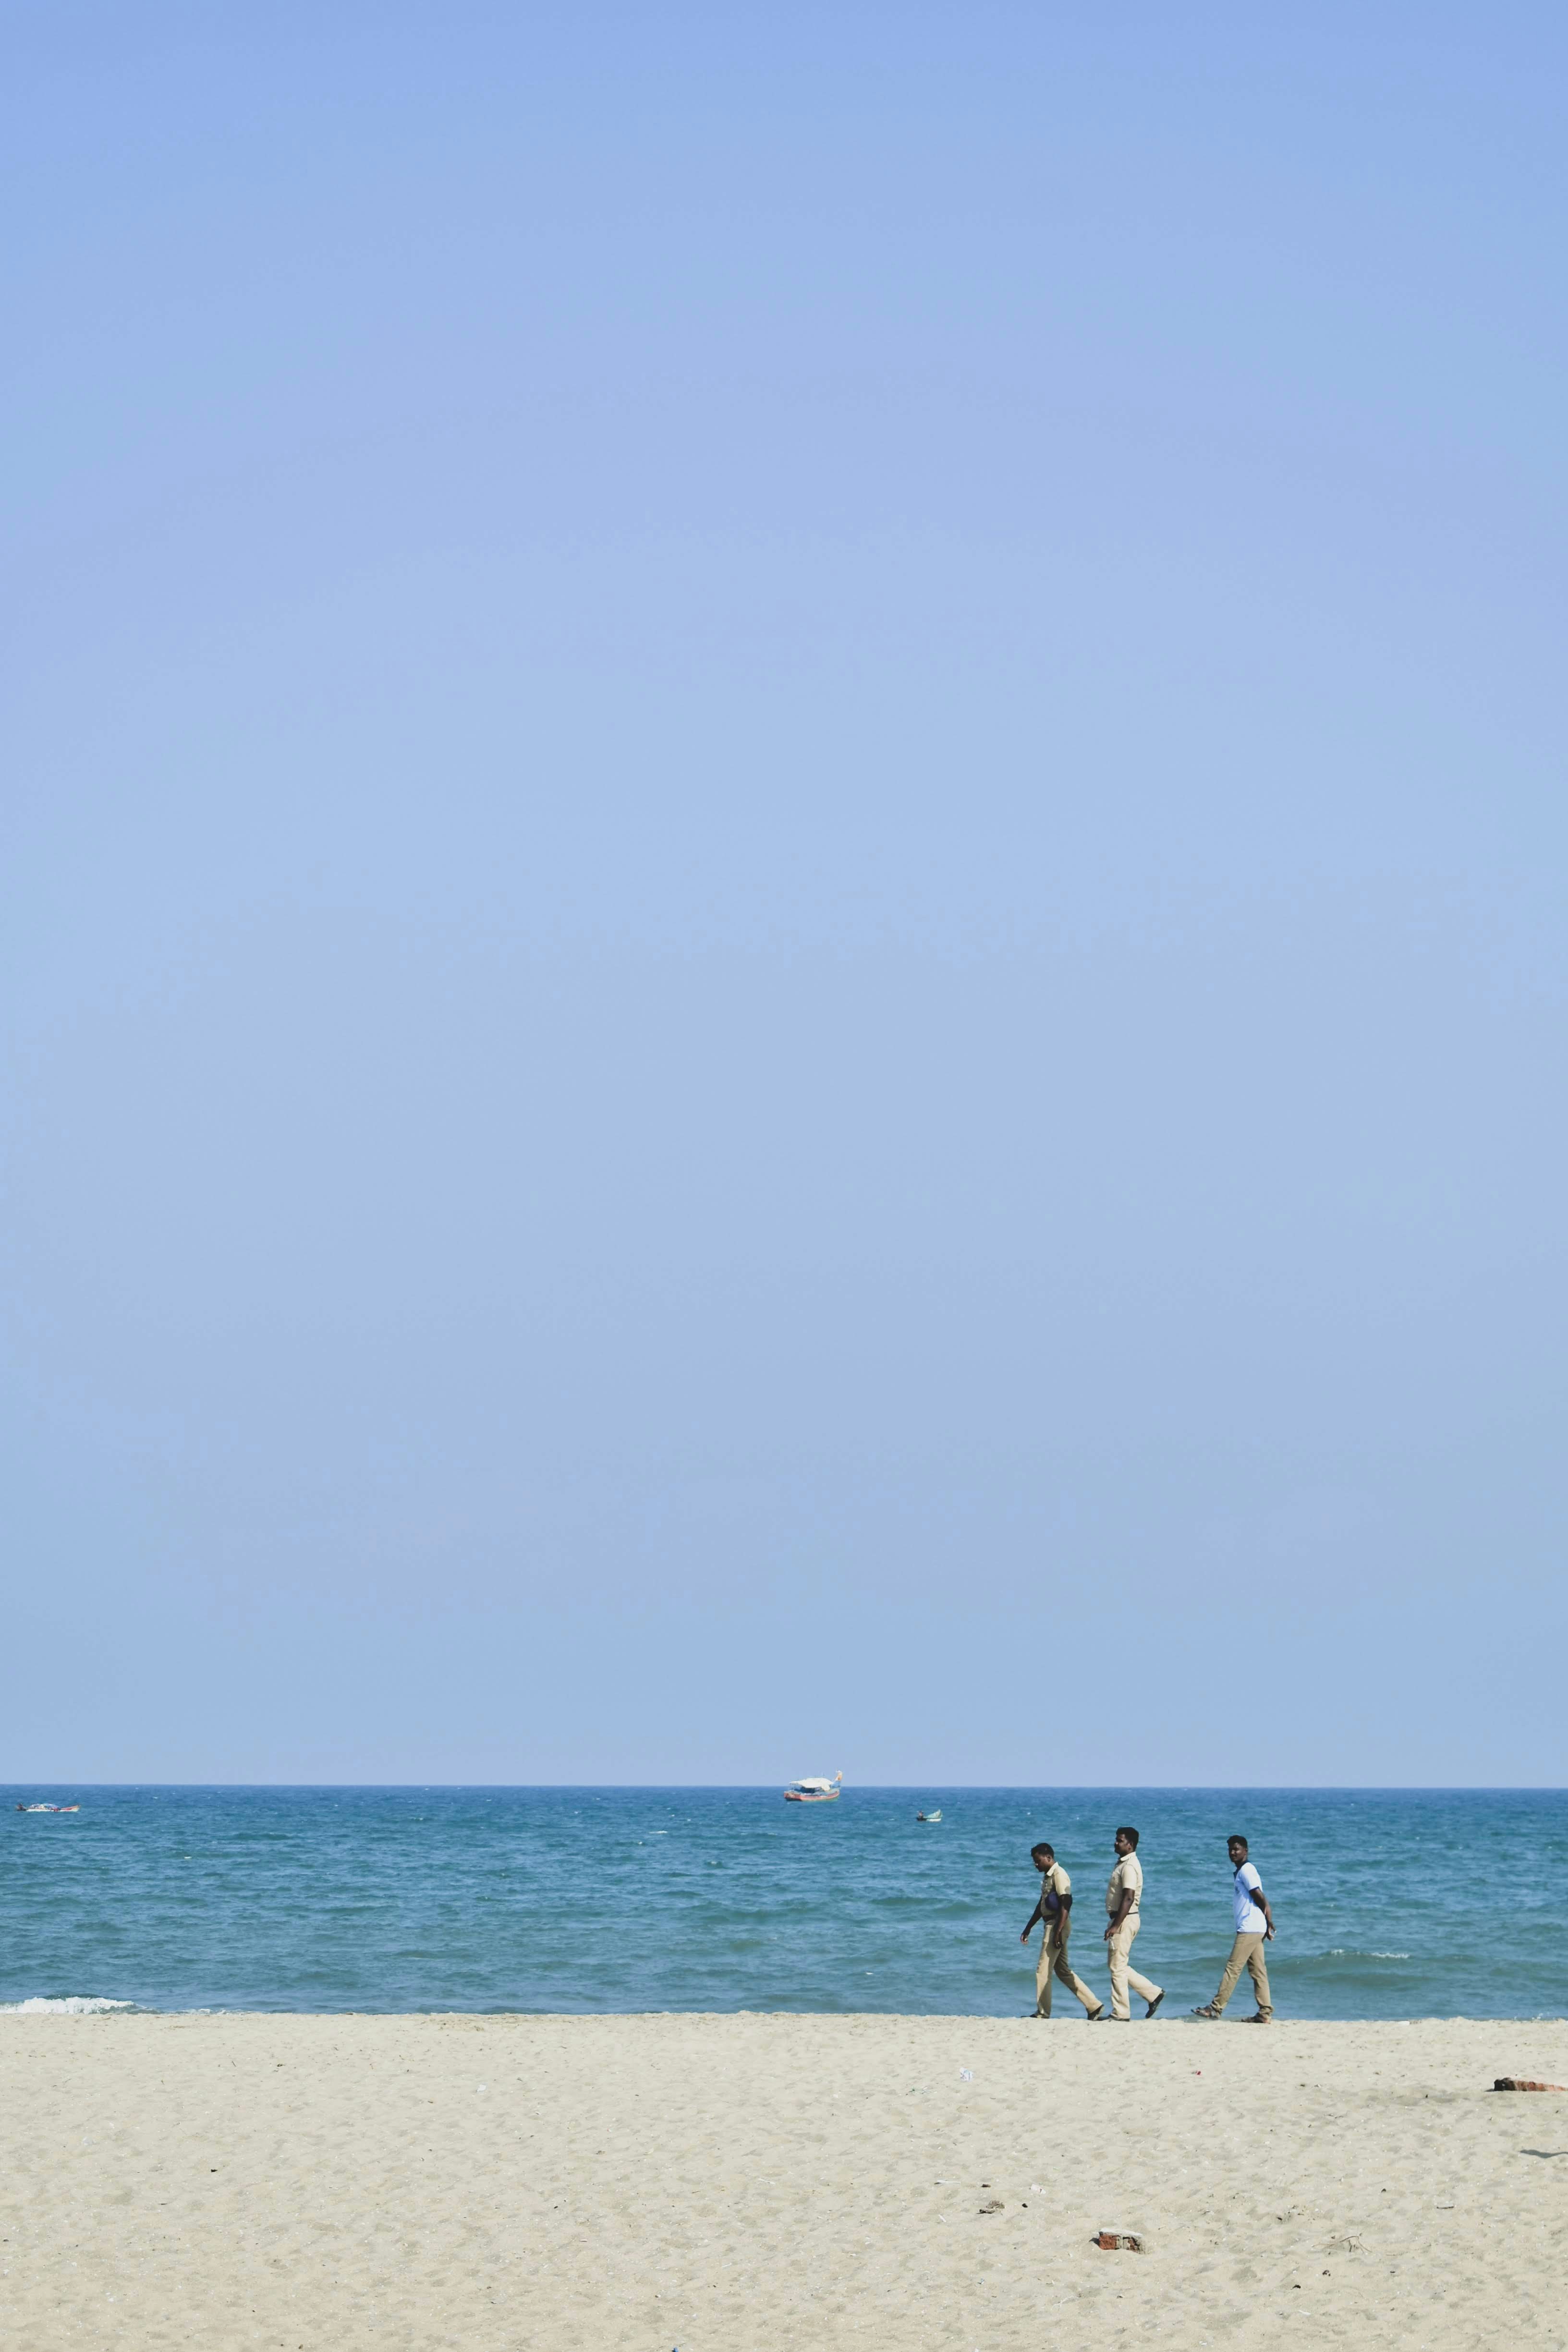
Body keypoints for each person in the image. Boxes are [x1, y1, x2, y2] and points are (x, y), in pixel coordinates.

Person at [1191, 1835, 1275, 2022]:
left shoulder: (1247, 1870)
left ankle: (1215, 2008)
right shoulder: (1242, 1871)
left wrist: (1269, 1922)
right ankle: (1265, 2012)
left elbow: (1261, 1897)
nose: (1232, 1853)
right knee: (1258, 1971)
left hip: (1250, 1928)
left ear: (1246, 1851)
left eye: (1236, 1849)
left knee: (1233, 1968)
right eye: (1230, 1849)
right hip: (1254, 1927)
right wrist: (1266, 1924)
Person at [1019, 1842, 1105, 2019]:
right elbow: (1041, 1905)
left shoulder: (1059, 1874)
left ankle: (1043, 2013)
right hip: (1053, 1924)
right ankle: (1094, 2006)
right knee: (1062, 1970)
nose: (1036, 1865)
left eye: (1038, 1861)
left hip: (1057, 1924)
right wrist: (1028, 1928)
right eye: (1034, 1862)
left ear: (1049, 1858)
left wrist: (1058, 1932)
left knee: (1043, 1970)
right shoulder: (1048, 1877)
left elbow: (1067, 1902)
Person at [1096, 1825, 1164, 2020]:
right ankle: (1153, 1994)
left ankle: (1121, 2013)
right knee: (1118, 1964)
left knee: (1117, 1967)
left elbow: (1128, 1898)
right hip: (1122, 1918)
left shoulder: (1130, 1866)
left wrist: (1116, 1926)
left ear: (1131, 1845)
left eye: (1120, 1840)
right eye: (1116, 1839)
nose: (1116, 1843)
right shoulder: (1123, 1863)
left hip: (1125, 1918)